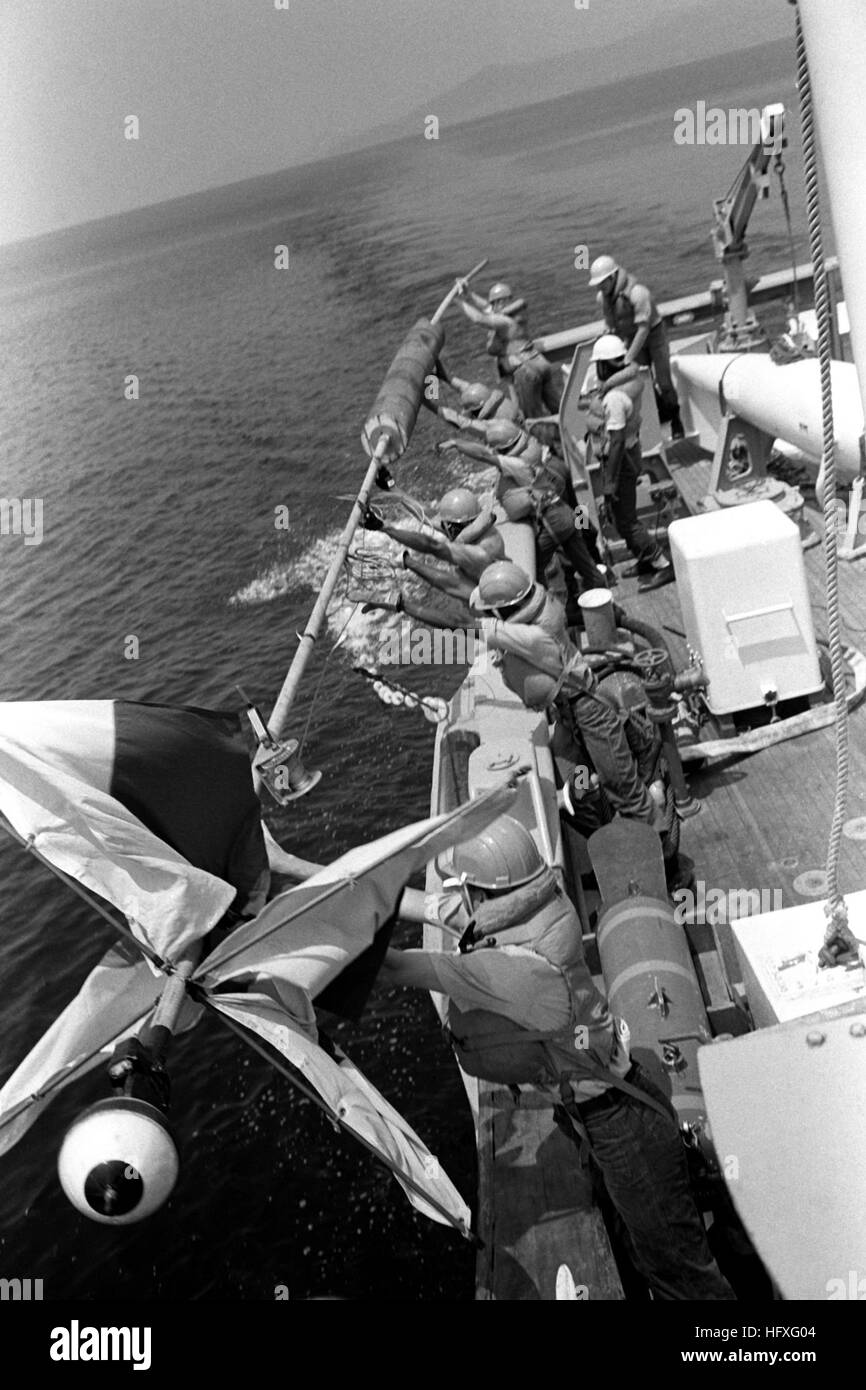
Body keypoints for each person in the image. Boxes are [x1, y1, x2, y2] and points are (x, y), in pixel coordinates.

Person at [379, 815, 734, 1301]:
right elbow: (427, 905)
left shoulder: (514, 973)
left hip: (620, 1125)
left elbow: (395, 966)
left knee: (683, 1277)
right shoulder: (536, 904)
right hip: (610, 1105)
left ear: (478, 894)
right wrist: (310, 877)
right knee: (646, 1248)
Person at [445, 424, 607, 599]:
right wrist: (585, 530)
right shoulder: (556, 465)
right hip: (569, 517)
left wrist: (457, 444)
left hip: (554, 521)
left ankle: (550, 603)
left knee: (535, 567)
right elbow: (577, 505)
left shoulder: (518, 465)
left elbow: (485, 455)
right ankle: (605, 598)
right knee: (587, 568)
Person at [583, 335, 674, 591]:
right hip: (631, 453)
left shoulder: (614, 398)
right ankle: (645, 559)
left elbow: (617, 441)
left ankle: (662, 563)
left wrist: (609, 482)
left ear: (603, 366)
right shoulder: (632, 381)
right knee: (620, 515)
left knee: (625, 520)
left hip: (620, 461)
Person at [588, 255, 685, 439]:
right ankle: (656, 416)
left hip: (654, 336)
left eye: (603, 282)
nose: (601, 287)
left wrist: (628, 357)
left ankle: (675, 419)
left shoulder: (638, 293)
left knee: (664, 381)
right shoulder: (603, 299)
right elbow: (610, 325)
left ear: (613, 277)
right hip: (630, 337)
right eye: (598, 284)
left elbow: (644, 328)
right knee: (641, 382)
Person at [362, 486, 504, 608]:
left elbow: (432, 546)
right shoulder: (471, 527)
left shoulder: (479, 552)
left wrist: (385, 527)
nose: (443, 525)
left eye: (446, 524)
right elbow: (426, 515)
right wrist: (392, 487)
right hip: (489, 580)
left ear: (454, 526)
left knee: (451, 583)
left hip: (494, 598)